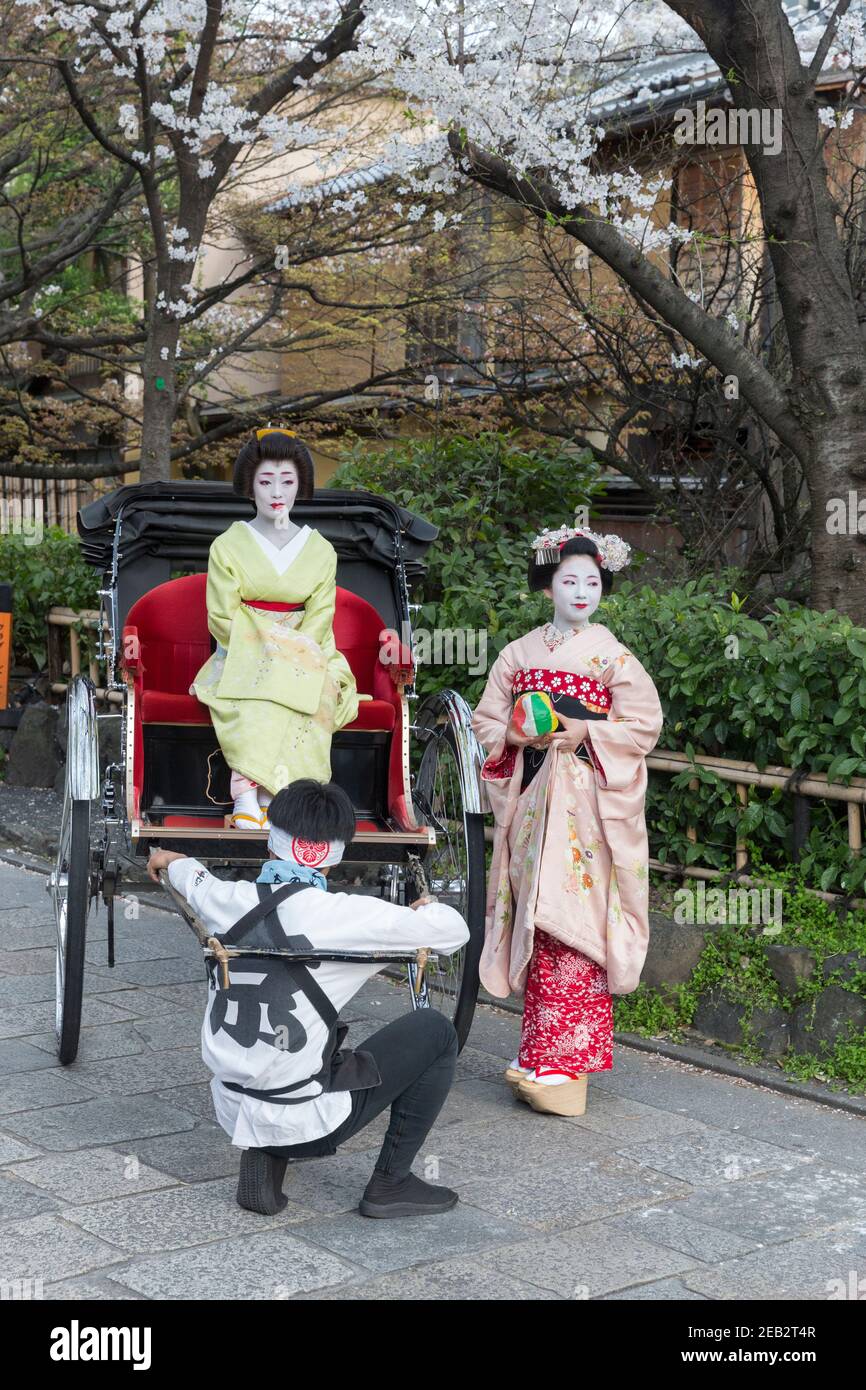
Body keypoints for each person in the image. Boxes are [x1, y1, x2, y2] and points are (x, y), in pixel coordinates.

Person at [146, 779, 469, 1218]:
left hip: (229, 1105)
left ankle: (267, 1152)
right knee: (434, 1030)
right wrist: (425, 907)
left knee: (313, 1028)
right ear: (334, 857)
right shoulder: (350, 915)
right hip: (307, 1118)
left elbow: (190, 874)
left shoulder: (224, 898)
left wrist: (167, 858)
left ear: (270, 837)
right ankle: (391, 1184)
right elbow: (454, 931)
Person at [471, 523, 663, 1117]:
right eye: (569, 580)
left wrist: (584, 730)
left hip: (586, 803)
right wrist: (513, 732)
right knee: (537, 916)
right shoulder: (517, 653)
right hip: (533, 794)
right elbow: (484, 721)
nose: (582, 591)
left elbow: (644, 727)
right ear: (548, 584)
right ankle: (540, 1056)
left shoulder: (614, 656)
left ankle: (564, 1066)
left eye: (592, 581)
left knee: (573, 917)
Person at [191, 427, 358, 830]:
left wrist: (291, 654)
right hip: (242, 652)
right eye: (266, 481)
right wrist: (264, 651)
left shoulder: (320, 551)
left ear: (301, 486)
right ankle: (246, 793)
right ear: (250, 486)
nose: (276, 491)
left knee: (312, 692)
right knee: (257, 689)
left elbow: (320, 617)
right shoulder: (227, 546)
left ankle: (278, 798)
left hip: (308, 652)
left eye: (287, 481)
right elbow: (222, 616)